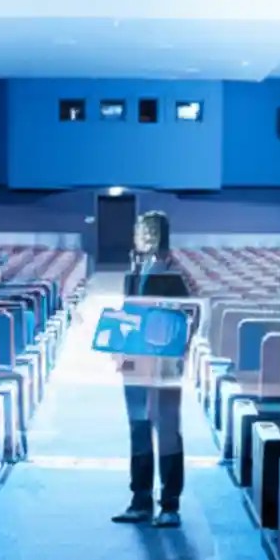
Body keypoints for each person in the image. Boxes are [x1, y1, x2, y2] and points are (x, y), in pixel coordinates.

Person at [111, 211, 190, 528]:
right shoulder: (135, 270)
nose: (137, 235)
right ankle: (140, 500)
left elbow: (186, 317)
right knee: (139, 429)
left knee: (167, 431)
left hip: (163, 362)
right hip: (135, 360)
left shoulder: (172, 271)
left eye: (144, 231)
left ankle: (169, 504)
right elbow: (130, 311)